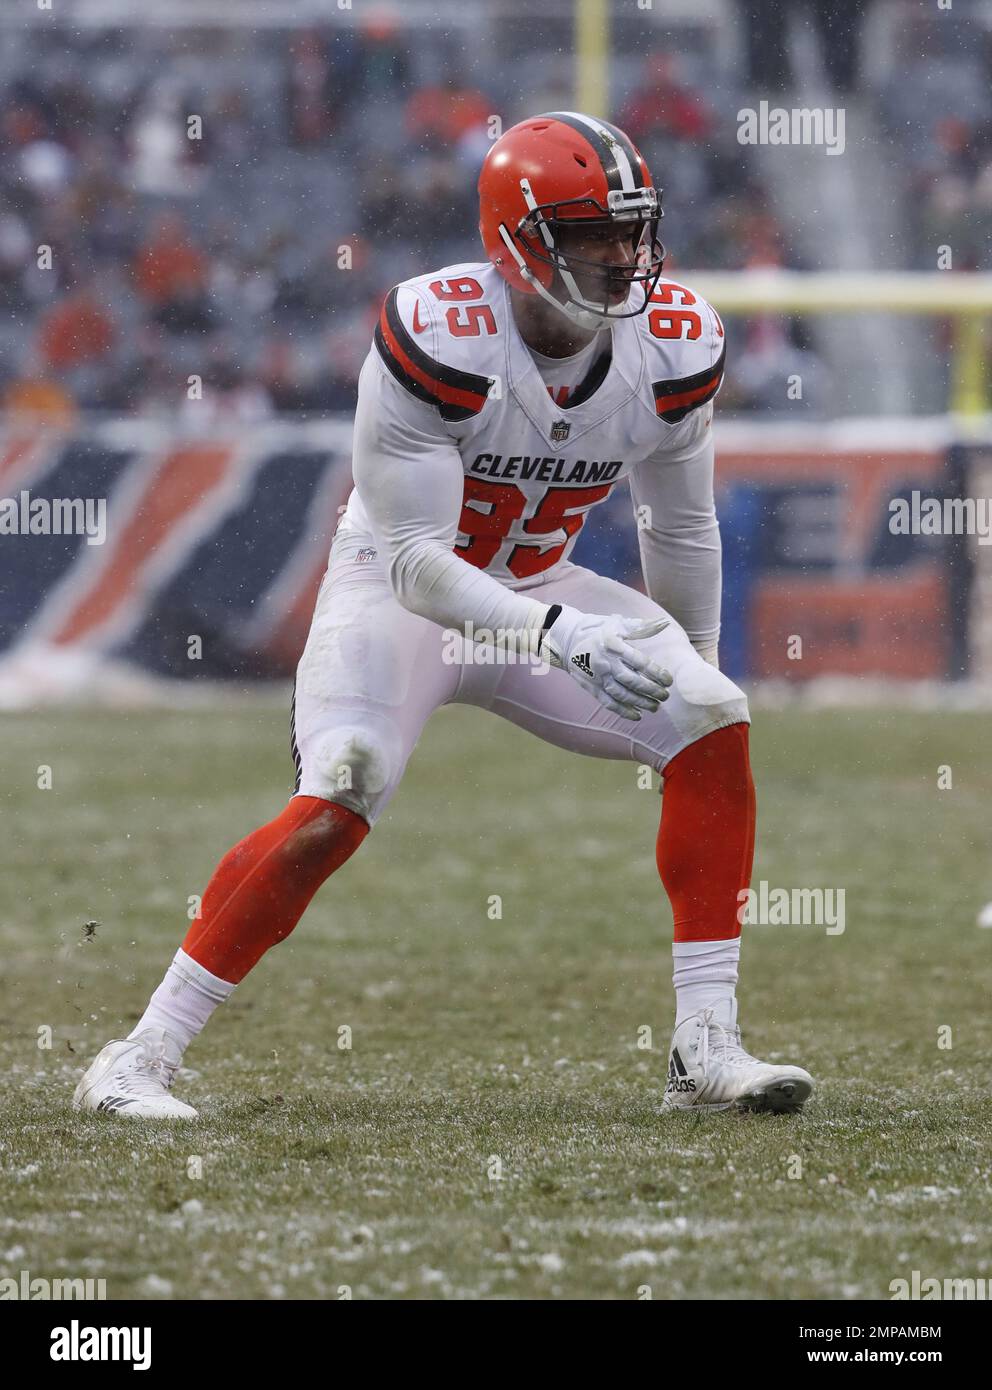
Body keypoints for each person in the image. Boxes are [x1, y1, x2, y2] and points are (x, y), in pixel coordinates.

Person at [74, 112, 813, 1120]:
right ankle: (136, 1056)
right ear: (518, 242)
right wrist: (559, 636)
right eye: (591, 231)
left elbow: (678, 530)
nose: (621, 254)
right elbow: (420, 564)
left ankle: (704, 1046)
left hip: (542, 587)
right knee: (341, 791)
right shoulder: (439, 331)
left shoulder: (671, 345)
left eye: (630, 229)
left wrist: (685, 682)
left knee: (716, 713)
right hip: (401, 589)